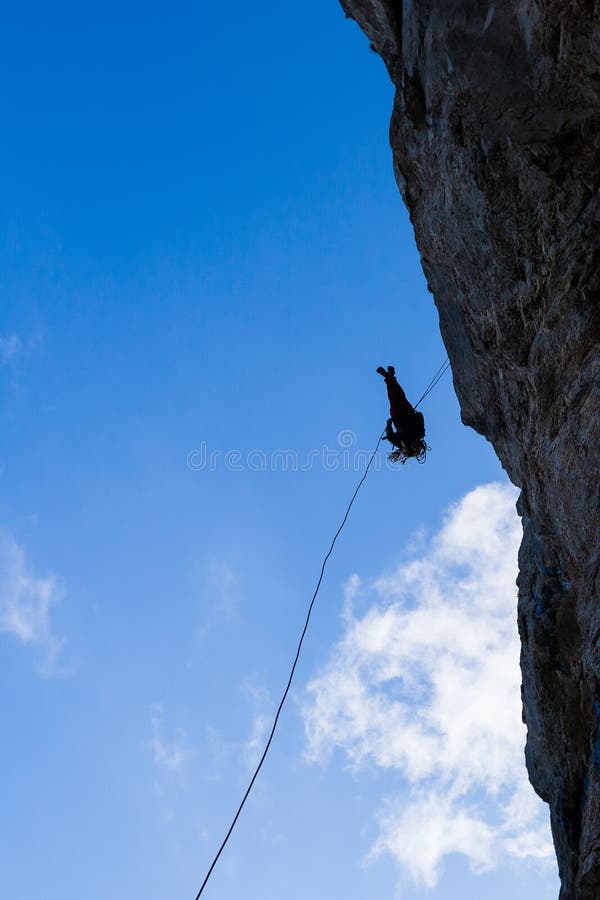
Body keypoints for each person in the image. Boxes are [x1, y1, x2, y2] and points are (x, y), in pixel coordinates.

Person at [376, 365, 427, 462]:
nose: (416, 445)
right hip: (407, 411)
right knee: (400, 394)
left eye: (415, 447)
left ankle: (389, 377)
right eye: (418, 446)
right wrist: (415, 416)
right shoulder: (420, 433)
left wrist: (388, 425)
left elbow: (391, 437)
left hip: (397, 415)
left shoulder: (404, 443)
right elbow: (420, 415)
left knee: (394, 397)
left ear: (411, 449)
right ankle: (389, 377)